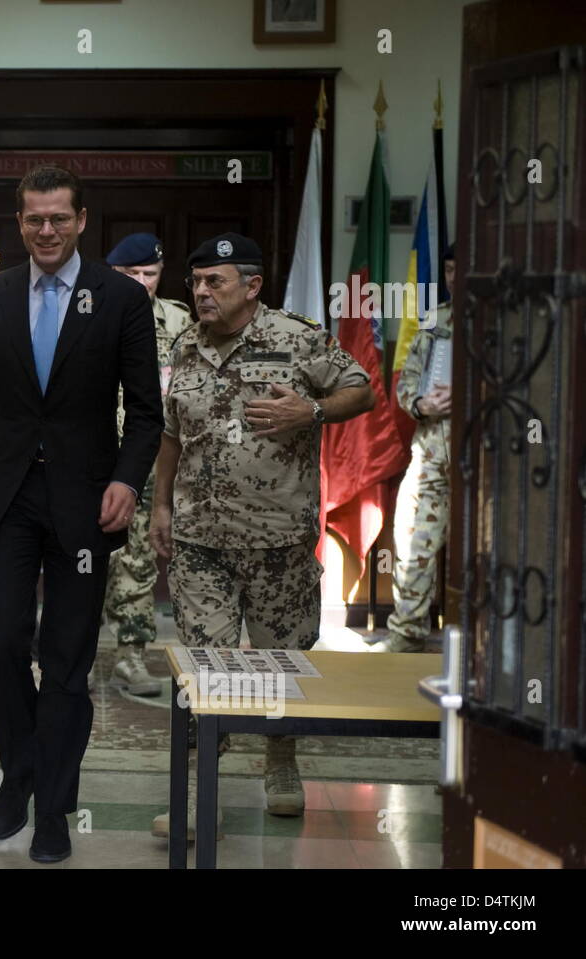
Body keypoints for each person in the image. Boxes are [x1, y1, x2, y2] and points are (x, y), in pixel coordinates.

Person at [0, 165, 162, 863]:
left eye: (58, 218)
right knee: (1, 643)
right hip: (6, 500)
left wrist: (128, 481)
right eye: (34, 218)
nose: (46, 229)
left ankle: (52, 812)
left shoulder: (121, 299)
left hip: (85, 504)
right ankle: (23, 770)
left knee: (65, 662)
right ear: (20, 223)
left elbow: (147, 412)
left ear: (80, 220)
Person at [149, 233, 374, 840]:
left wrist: (313, 412)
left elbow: (362, 388)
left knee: (281, 661)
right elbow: (171, 432)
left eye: (214, 281)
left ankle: (280, 760)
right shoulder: (183, 344)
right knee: (207, 667)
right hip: (201, 539)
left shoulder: (297, 338)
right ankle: (200, 792)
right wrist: (161, 505)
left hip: (277, 539)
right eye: (195, 282)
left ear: (252, 286)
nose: (201, 292)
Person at [98, 232, 194, 696]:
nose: (141, 283)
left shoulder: (178, 320)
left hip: (152, 458)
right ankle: (67, 654)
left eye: (149, 274)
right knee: (87, 555)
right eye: (130, 274)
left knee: (138, 559)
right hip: (95, 457)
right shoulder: (87, 311)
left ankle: (130, 657)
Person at [373, 246, 456, 653]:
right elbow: (407, 385)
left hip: (491, 464)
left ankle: (485, 646)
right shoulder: (435, 321)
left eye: (464, 270)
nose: (456, 278)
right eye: (450, 270)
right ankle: (407, 633)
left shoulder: (513, 322)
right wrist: (422, 405)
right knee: (410, 541)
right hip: (432, 455)